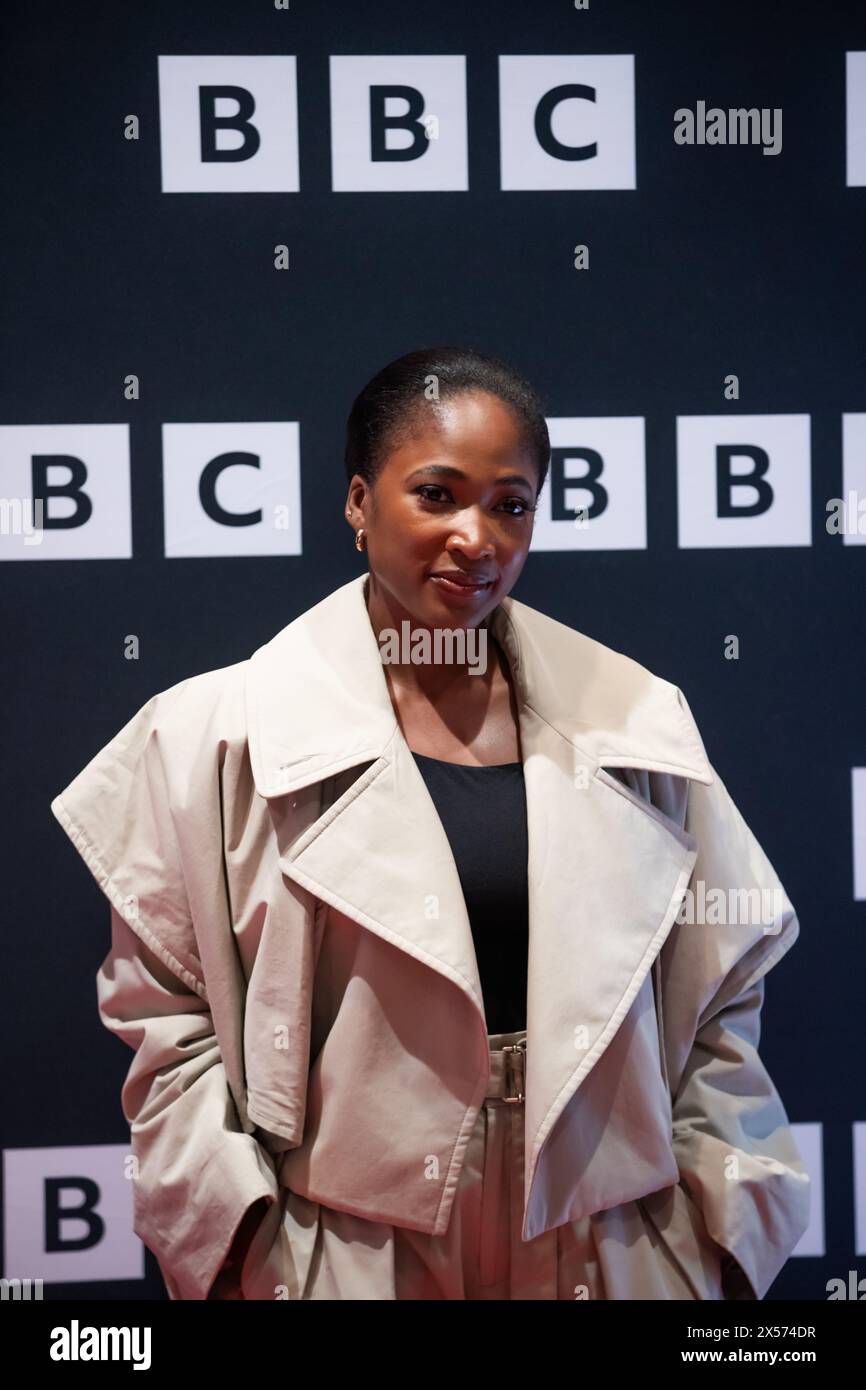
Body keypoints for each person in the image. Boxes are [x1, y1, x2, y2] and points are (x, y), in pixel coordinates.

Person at [51, 345, 810, 1300]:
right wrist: (245, 1246)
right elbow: (167, 1017)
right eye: (437, 494)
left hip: (607, 1253)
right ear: (359, 503)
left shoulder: (636, 721)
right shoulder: (218, 735)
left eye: (510, 503)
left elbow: (720, 995)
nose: (477, 536)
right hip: (346, 1258)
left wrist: (715, 1242)